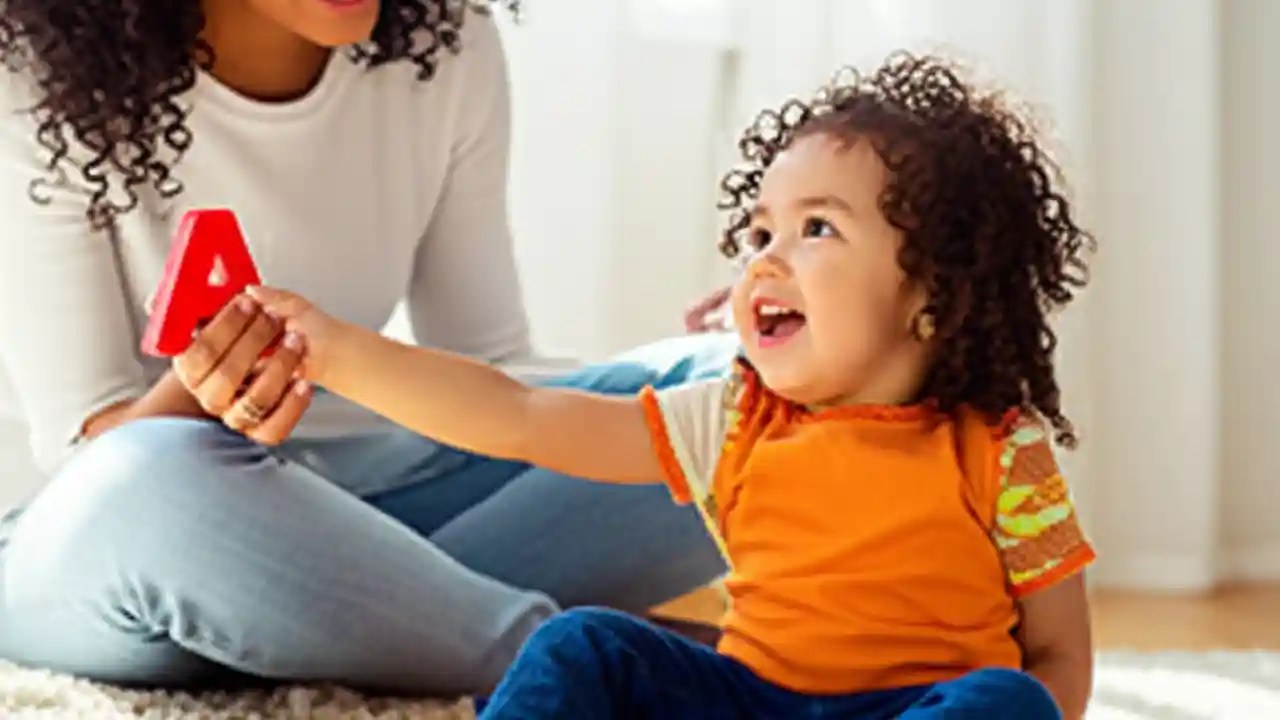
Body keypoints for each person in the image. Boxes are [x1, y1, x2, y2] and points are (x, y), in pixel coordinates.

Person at [249, 51, 1098, 719]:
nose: (766, 256)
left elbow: (1060, 657)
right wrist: (338, 355)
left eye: (816, 229)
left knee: (1008, 698)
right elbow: (523, 415)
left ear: (934, 293)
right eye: (760, 229)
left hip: (918, 711)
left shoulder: (1001, 446)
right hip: (747, 702)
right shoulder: (733, 418)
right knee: (581, 645)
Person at [0, 0, 737, 694]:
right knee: (150, 486)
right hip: (145, 538)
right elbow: (88, 451)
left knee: (737, 397)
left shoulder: (443, 41)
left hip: (393, 509)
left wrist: (781, 343)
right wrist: (208, 390)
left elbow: (493, 368)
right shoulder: (37, 78)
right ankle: (598, 669)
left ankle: (383, 630)